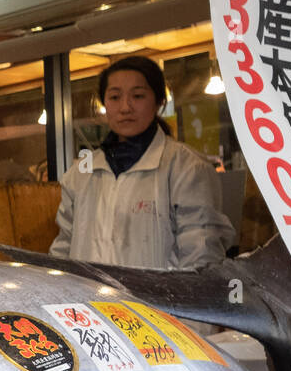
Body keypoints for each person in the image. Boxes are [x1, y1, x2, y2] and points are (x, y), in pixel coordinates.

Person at [50, 56, 235, 269]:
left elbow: (202, 253)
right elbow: (63, 246)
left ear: (159, 102)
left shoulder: (187, 168)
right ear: (105, 104)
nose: (125, 107)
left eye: (138, 96)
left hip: (156, 301)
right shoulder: (80, 173)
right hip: (89, 301)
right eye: (114, 97)